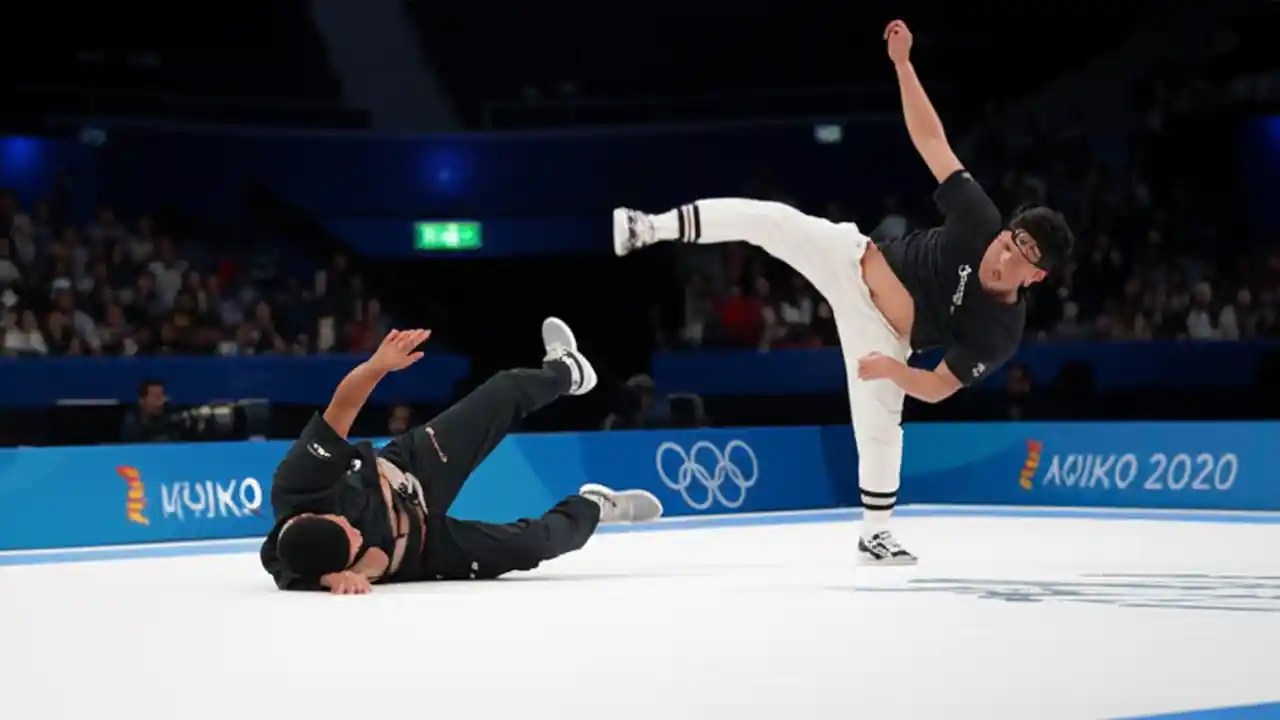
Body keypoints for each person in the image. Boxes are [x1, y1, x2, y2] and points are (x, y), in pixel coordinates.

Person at [610, 19, 1074, 565]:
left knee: (883, 428)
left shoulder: (1001, 331)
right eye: (1010, 241)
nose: (1004, 255)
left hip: (883, 341)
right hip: (853, 259)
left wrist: (892, 370)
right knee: (767, 219)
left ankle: (875, 534)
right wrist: (903, 64)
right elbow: (931, 139)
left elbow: (938, 387)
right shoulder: (978, 217)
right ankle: (650, 227)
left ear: (1036, 276)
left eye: (1022, 256)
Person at [260, 317, 663, 593]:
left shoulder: (298, 480)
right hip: (420, 548)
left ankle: (566, 370)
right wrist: (353, 573)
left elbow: (343, 407)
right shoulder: (312, 567)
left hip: (402, 471)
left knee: (501, 392)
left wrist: (377, 366)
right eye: (353, 545)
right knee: (529, 546)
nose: (358, 533)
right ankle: (594, 506)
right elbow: (379, 554)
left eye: (349, 529)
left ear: (316, 514)